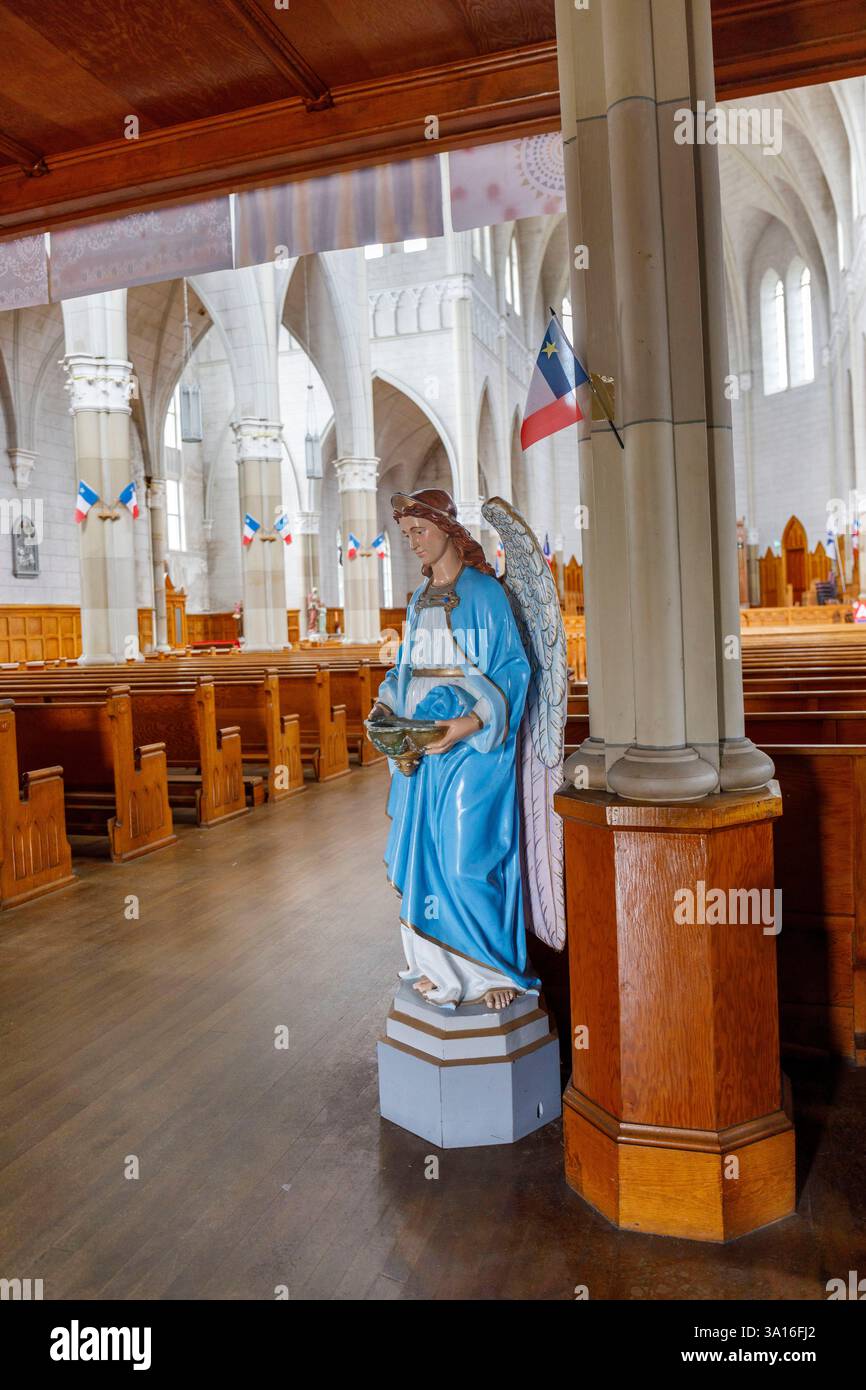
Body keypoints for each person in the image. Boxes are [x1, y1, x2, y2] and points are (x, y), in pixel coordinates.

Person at [370, 488, 540, 1011]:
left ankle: (493, 969)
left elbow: (514, 670)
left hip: (473, 748)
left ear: (447, 528)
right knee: (426, 853)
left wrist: (466, 725)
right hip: (423, 745)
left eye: (419, 531)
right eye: (406, 536)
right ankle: (441, 967)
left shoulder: (485, 595)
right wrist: (386, 706)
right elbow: (407, 670)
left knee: (469, 854)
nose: (413, 543)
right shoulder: (419, 600)